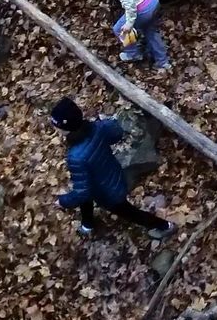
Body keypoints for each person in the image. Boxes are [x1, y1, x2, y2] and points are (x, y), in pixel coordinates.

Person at [52, 98, 172, 238]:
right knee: (87, 197)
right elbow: (117, 133)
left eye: (56, 125)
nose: (55, 128)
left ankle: (165, 226)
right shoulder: (96, 128)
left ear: (67, 128)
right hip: (113, 174)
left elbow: (81, 192)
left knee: (131, 213)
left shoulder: (75, 157)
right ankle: (87, 225)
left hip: (107, 195)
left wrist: (63, 201)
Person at [111, 0, 170, 70]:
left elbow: (130, 5)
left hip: (142, 9)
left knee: (119, 29)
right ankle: (163, 62)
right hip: (153, 0)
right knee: (150, 31)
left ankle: (133, 53)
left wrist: (129, 23)